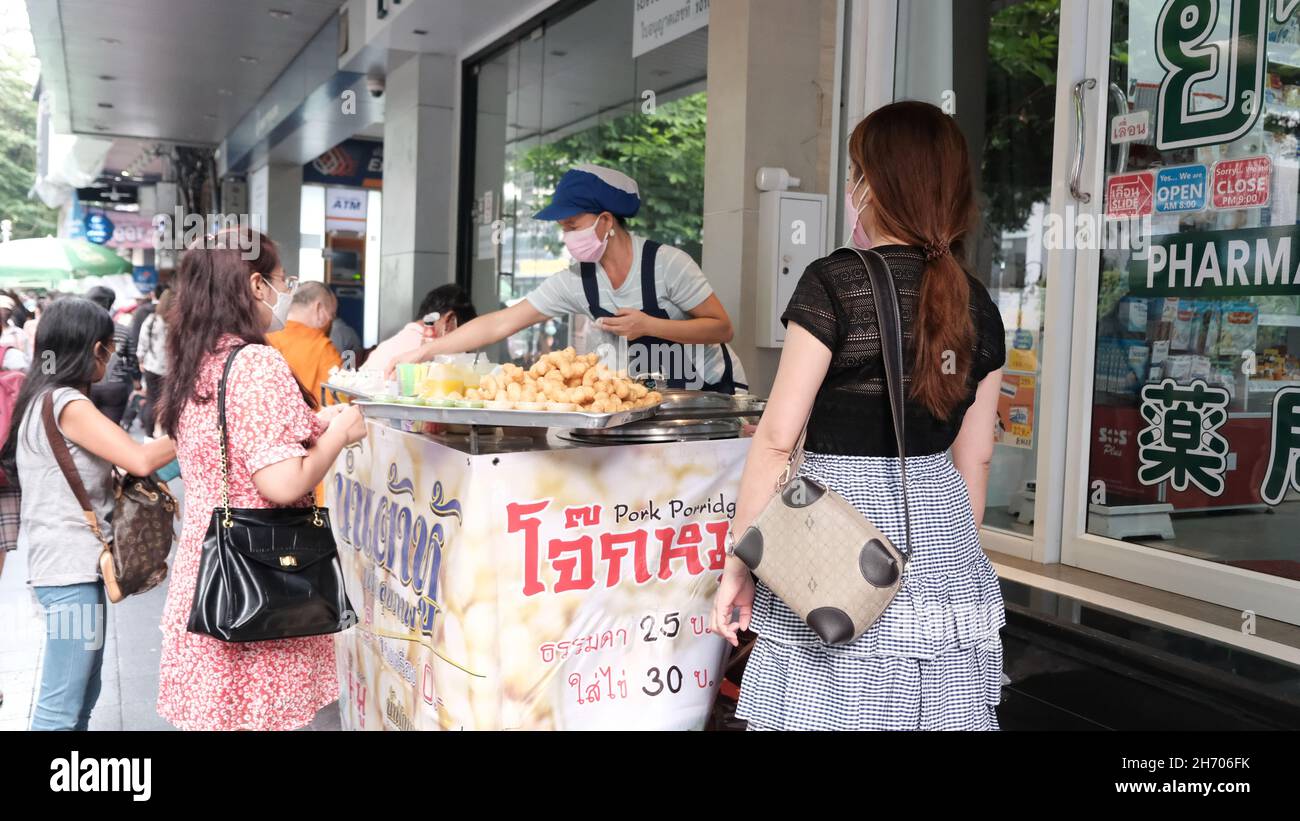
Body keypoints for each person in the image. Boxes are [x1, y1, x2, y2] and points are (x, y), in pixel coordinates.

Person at [711, 101, 1007, 731]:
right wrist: (948, 556)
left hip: (834, 530)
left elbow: (774, 442)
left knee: (831, 704)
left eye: (858, 172)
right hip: (943, 528)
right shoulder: (978, 302)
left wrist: (739, 563)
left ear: (876, 186)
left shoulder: (834, 284)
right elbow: (975, 455)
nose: (853, 188)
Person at [154, 229, 366, 731]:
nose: (285, 289)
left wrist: (320, 425)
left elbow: (244, 439)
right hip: (258, 579)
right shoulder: (254, 361)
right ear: (254, 285)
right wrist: (342, 435)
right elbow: (281, 482)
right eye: (280, 279)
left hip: (208, 575)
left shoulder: (196, 360)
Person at [389, 164, 744, 393]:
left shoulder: (667, 264)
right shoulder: (577, 281)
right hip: (658, 399)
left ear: (605, 221)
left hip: (714, 393)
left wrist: (649, 325)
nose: (567, 237)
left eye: (572, 226)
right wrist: (425, 351)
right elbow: (501, 323)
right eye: (563, 229)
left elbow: (722, 328)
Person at [1, 297, 176, 730]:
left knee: (81, 694)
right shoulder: (66, 404)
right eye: (106, 347)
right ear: (90, 348)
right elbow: (138, 459)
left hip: (69, 572)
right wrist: (203, 421)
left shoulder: (42, 398)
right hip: (68, 575)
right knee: (62, 704)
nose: (111, 355)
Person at [362, 284, 477, 375]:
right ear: (450, 321)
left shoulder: (389, 345)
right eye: (464, 343)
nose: (463, 350)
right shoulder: (433, 360)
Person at [266, 281, 343, 408]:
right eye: (331, 316)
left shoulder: (262, 338)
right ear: (319, 309)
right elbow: (336, 407)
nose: (330, 323)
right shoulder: (323, 349)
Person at [135, 289, 172, 436]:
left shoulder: (151, 319)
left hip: (151, 366)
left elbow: (142, 342)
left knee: (152, 400)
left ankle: (150, 435)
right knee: (168, 401)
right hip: (171, 369)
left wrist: (140, 360)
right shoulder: (177, 322)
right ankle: (165, 433)